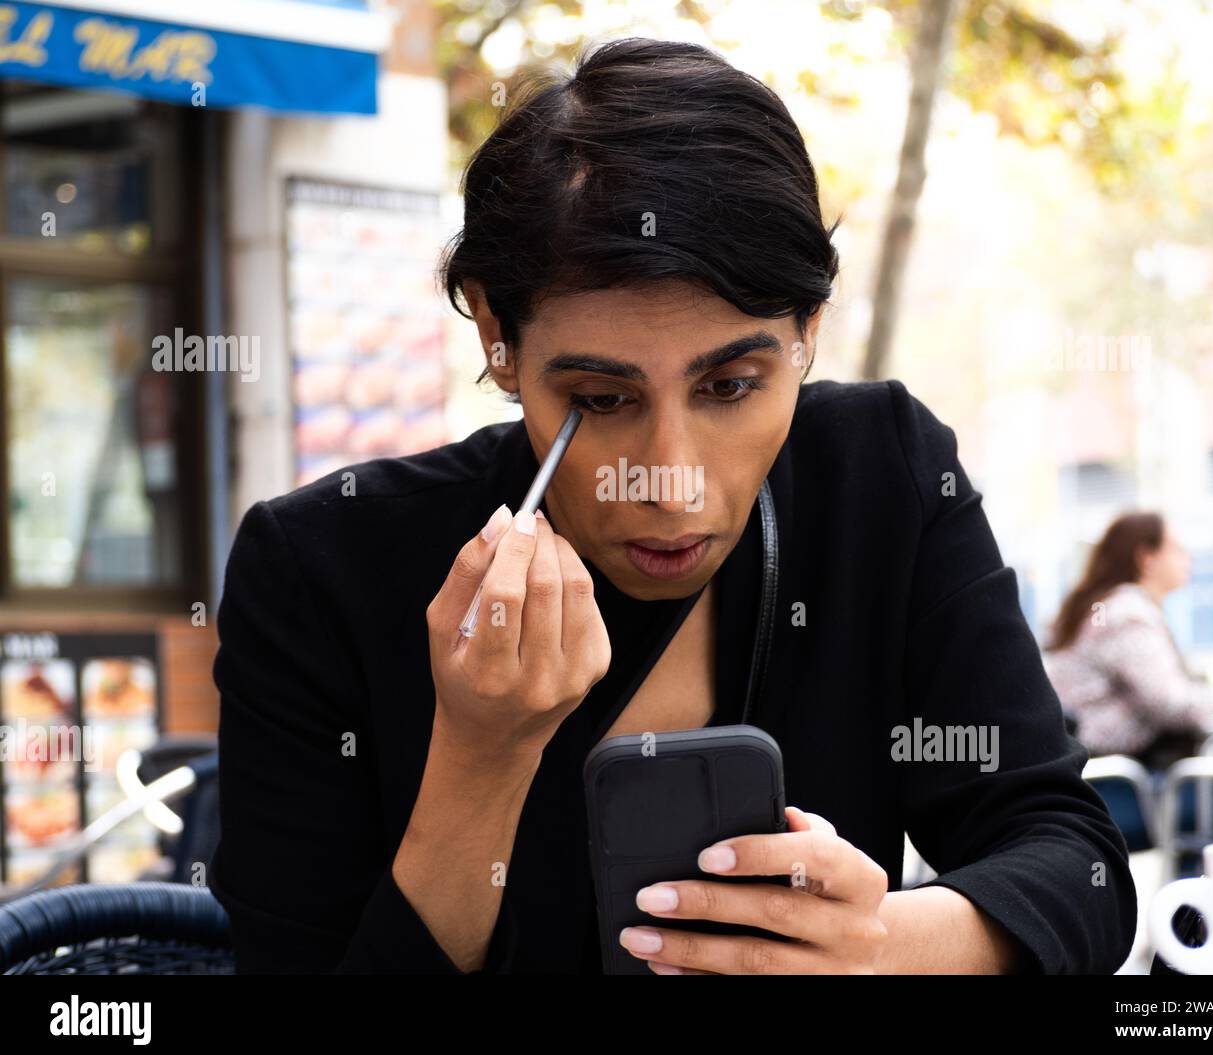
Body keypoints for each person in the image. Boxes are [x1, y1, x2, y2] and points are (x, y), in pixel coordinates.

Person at [208, 38, 1135, 975]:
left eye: (731, 386)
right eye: (602, 400)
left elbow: (1074, 866)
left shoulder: (880, 479)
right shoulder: (321, 568)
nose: (671, 480)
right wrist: (479, 760)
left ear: (808, 331)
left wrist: (874, 946)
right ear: (497, 336)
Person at [1043, 512, 1213, 772]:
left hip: (1108, 767)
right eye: (1177, 549)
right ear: (1146, 558)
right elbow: (1173, 705)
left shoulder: (1112, 606)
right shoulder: (1126, 613)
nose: (1188, 559)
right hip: (1120, 776)